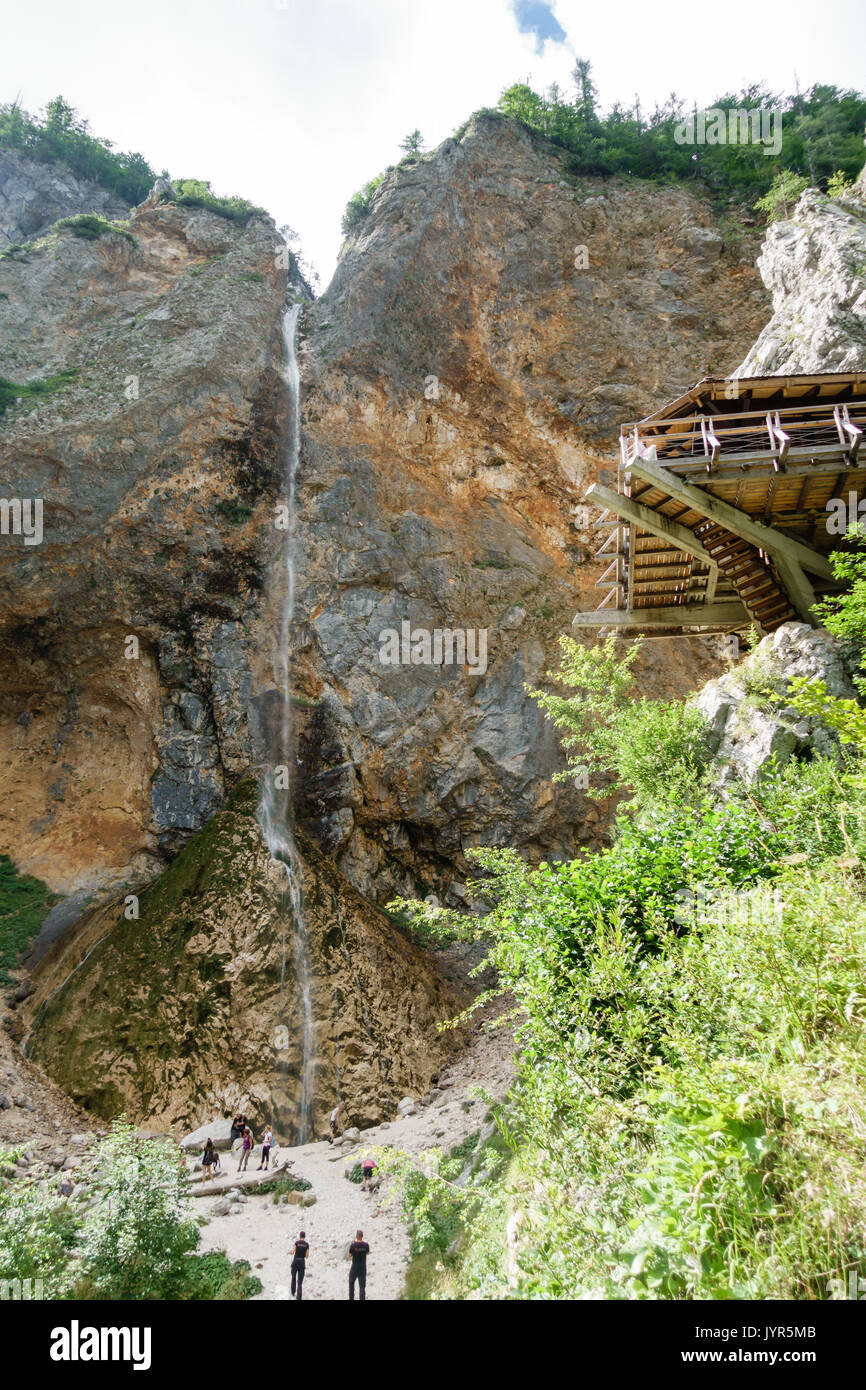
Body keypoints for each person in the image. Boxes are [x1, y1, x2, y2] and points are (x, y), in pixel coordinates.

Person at [347, 1229, 370, 1301]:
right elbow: (367, 1253)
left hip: (355, 1266)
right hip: (363, 1266)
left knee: (351, 1282)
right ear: (362, 1236)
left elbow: (349, 1255)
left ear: (356, 1236)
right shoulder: (366, 1245)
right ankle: (362, 1298)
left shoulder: (353, 1245)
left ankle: (351, 1298)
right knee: (362, 1286)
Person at [290, 1230, 310, 1301]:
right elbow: (307, 1256)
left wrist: (290, 1252)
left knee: (293, 1277)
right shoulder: (307, 1245)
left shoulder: (297, 1243)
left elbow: (293, 1252)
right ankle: (299, 1297)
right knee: (300, 1282)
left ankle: (293, 1292)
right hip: (302, 1262)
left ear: (300, 1236)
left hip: (295, 1261)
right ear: (304, 1237)